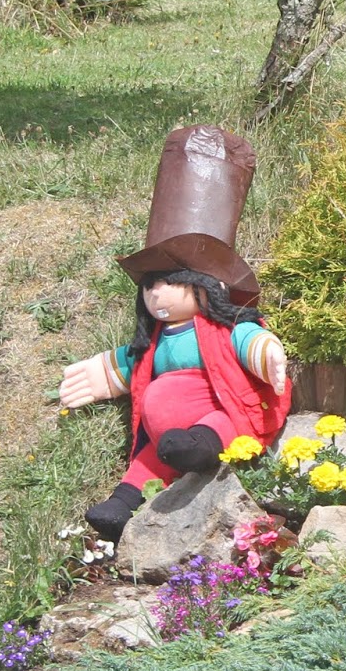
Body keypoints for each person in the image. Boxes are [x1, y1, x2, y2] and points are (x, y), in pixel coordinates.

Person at [60, 125, 290, 539]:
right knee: (148, 460)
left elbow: (247, 341)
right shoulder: (155, 339)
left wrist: (266, 352)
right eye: (151, 284)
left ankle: (201, 447)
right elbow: (132, 362)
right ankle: (121, 504)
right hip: (163, 438)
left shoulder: (221, 327)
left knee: (219, 425)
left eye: (172, 281)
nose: (157, 294)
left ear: (210, 286)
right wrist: (102, 375)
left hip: (217, 415)